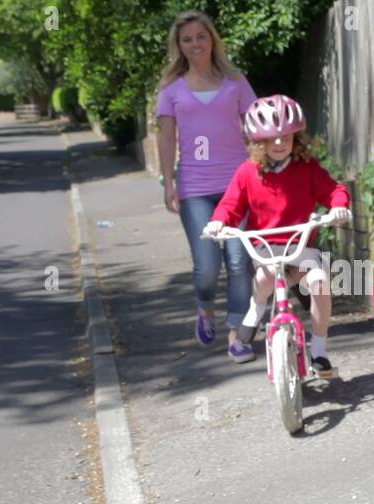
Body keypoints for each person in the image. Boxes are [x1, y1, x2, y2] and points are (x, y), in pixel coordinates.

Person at [204, 95, 351, 372]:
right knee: (266, 276)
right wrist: (218, 222)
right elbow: (230, 205)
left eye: (286, 137)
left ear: (297, 136)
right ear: (259, 142)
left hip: (299, 247)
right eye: (272, 139)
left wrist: (339, 207)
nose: (280, 144)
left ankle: (318, 352)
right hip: (265, 248)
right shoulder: (247, 173)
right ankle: (255, 312)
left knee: (319, 282)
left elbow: (334, 190)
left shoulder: (307, 170)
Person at [156, 10, 257, 360]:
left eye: (201, 36)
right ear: (179, 46)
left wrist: (265, 169)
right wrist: (168, 182)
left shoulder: (235, 81)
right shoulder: (171, 89)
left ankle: (237, 335)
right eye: (187, 39)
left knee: (239, 261)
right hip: (194, 187)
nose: (195, 43)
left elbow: (257, 125)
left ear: (211, 38)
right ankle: (205, 309)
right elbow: (166, 138)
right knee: (207, 265)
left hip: (238, 184)